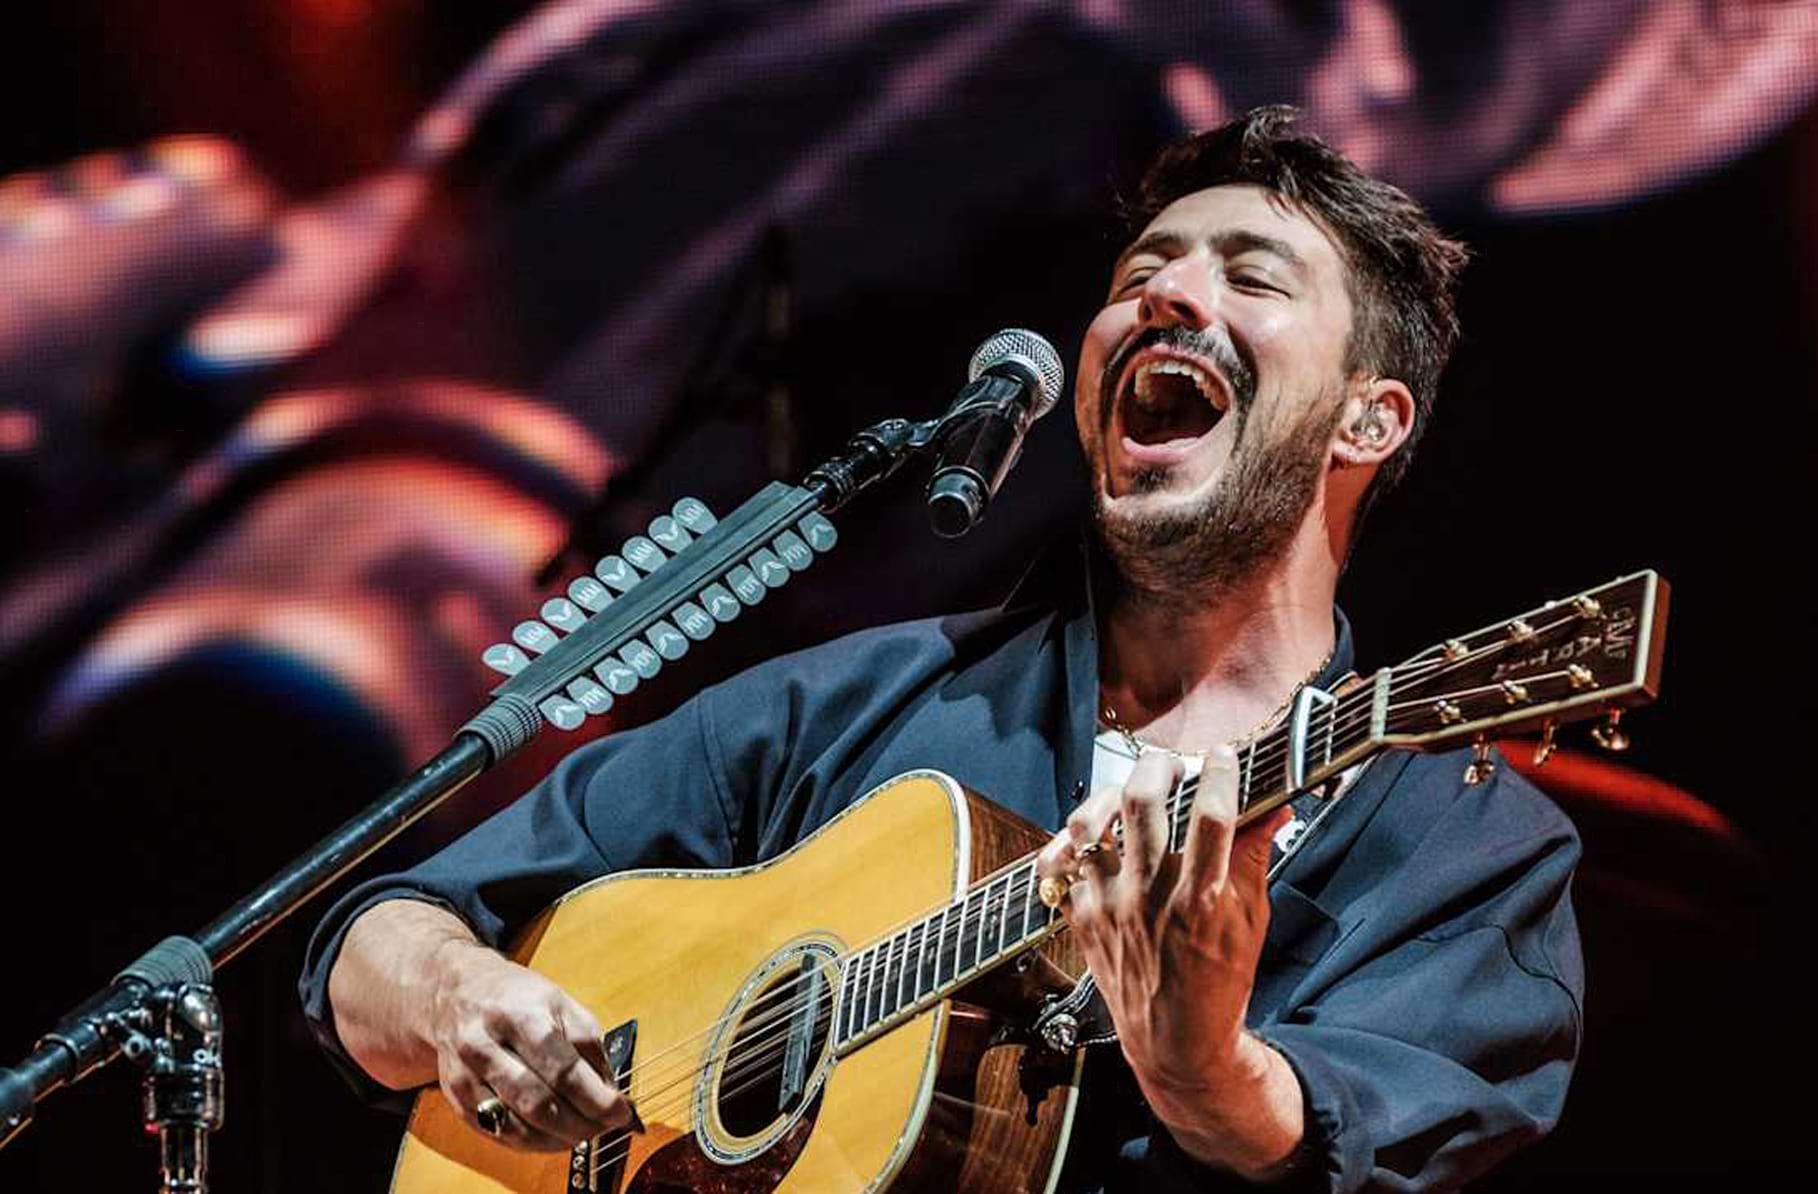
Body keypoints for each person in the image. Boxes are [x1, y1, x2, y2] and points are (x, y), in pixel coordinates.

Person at [301, 107, 1582, 1191]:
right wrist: (458, 998)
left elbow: (1381, 1147)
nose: (1168, 296)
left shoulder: (1465, 846)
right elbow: (373, 944)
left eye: (1252, 279)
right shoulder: (852, 701)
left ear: (1369, 420)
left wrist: (1207, 1075)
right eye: (1143, 272)